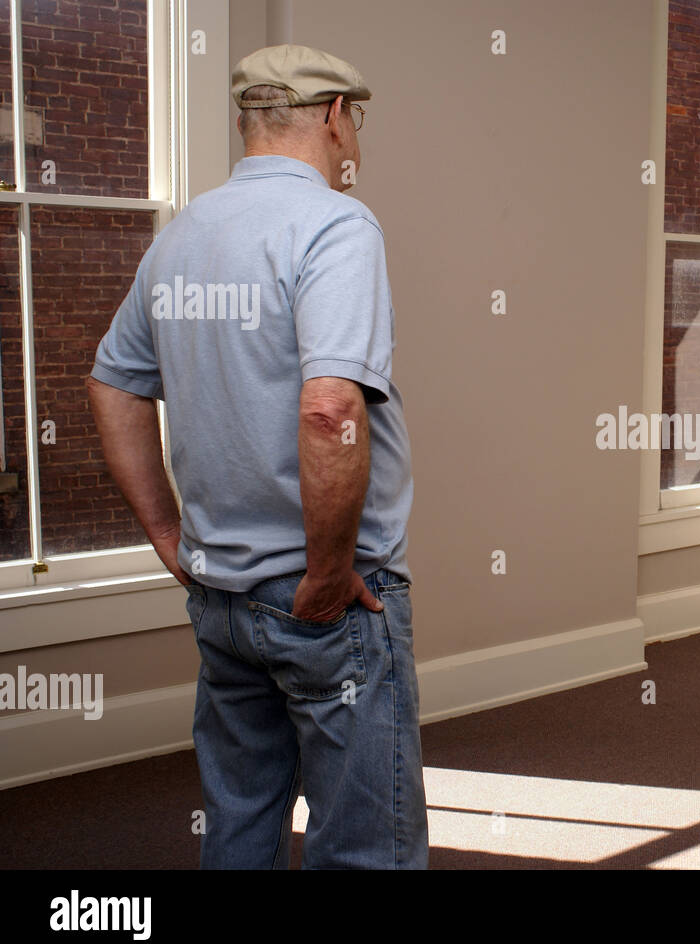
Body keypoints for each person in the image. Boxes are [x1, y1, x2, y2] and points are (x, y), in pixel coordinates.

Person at [86, 43, 428, 869]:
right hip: (324, 599)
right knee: (365, 844)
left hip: (220, 594)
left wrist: (168, 535)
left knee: (240, 817)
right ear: (336, 117)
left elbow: (112, 384)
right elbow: (330, 406)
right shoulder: (337, 223)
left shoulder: (183, 236)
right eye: (356, 119)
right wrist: (329, 570)